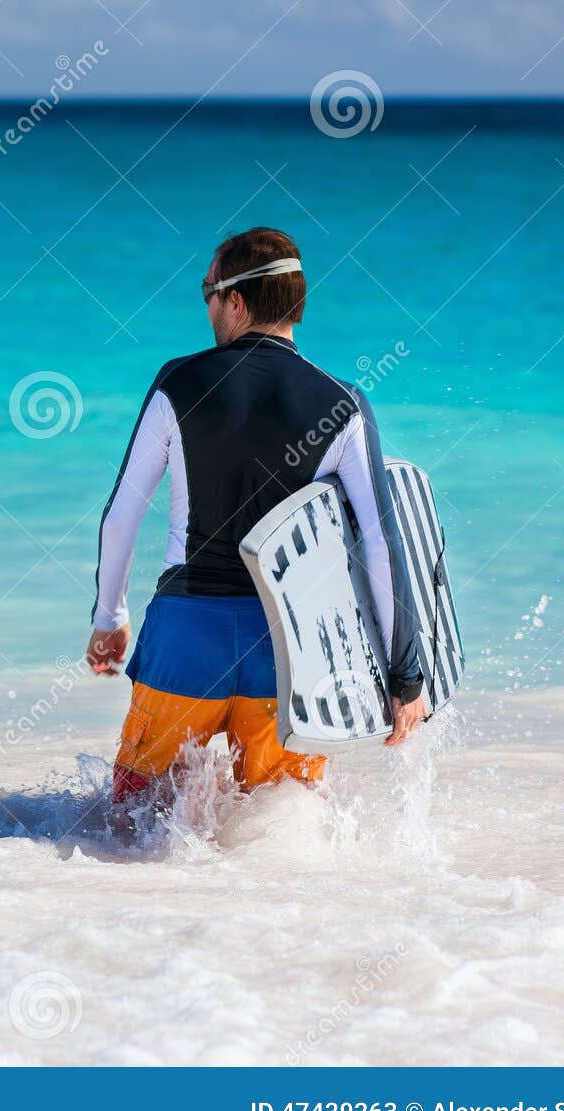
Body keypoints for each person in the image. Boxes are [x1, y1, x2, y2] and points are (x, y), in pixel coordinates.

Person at [87, 227, 426, 806]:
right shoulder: (343, 403)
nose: (207, 306)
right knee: (281, 830)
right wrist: (405, 675)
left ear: (236, 301)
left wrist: (109, 618)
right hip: (288, 651)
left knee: (129, 823)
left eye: (207, 291)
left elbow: (122, 517)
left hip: (186, 641)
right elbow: (380, 547)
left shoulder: (179, 382)